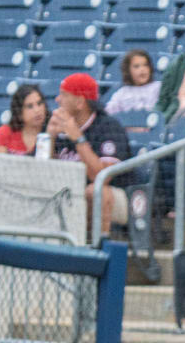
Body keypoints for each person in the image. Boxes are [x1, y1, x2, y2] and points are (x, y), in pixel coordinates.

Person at [48, 73, 133, 228]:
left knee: (95, 192)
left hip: (116, 195)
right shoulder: (60, 125)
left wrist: (78, 139)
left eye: (64, 95)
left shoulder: (109, 127)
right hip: (71, 190)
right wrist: (50, 139)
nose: (57, 99)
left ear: (80, 102)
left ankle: (99, 242)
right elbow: (42, 171)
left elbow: (101, 177)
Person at [0, 84, 49, 156]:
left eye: (39, 103)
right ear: (19, 112)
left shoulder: (52, 132)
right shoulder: (6, 132)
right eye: (30, 106)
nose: (37, 110)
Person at [105, 49, 163, 115]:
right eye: (136, 66)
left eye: (146, 65)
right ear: (128, 71)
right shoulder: (122, 93)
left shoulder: (159, 87)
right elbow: (108, 113)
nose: (142, 69)